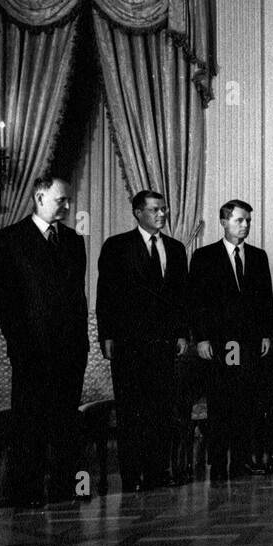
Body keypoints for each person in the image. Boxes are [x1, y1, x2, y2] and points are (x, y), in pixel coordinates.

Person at [0, 173, 89, 508]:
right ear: (40, 197)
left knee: (65, 421)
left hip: (71, 350)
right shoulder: (9, 240)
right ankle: (25, 493)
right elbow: (3, 300)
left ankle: (64, 488)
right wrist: (19, 342)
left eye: (68, 200)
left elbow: (78, 298)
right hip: (31, 350)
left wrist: (81, 342)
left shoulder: (74, 241)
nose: (67, 205)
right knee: (29, 422)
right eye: (61, 199)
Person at [96, 190, 190, 491]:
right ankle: (132, 476)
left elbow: (180, 297)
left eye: (164, 209)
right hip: (129, 343)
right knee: (131, 412)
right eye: (154, 210)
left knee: (161, 410)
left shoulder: (175, 249)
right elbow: (106, 295)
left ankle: (157, 473)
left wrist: (181, 333)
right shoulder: (117, 246)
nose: (161, 215)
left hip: (164, 343)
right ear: (137, 212)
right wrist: (106, 336)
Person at [188, 200, 273, 481]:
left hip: (249, 343)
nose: (245, 225)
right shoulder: (204, 257)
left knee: (246, 403)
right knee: (220, 403)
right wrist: (200, 339)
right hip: (218, 343)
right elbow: (197, 302)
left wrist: (266, 335)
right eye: (239, 220)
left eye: (248, 220)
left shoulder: (259, 257)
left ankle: (240, 462)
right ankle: (217, 465)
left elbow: (265, 301)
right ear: (223, 222)